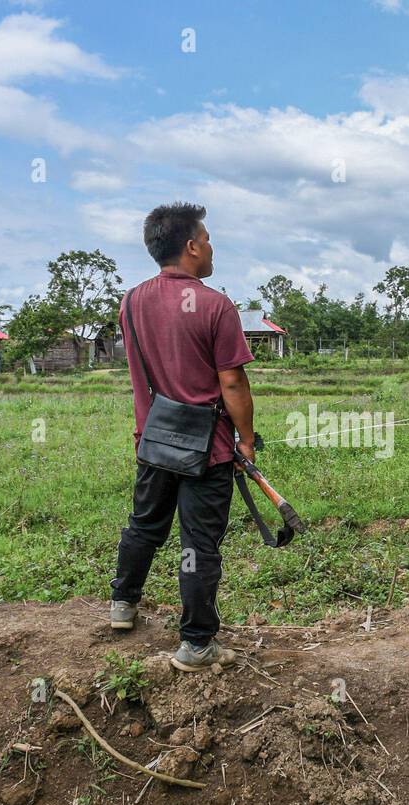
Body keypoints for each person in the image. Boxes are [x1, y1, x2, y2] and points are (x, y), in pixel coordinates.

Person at [109, 203, 256, 672]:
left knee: (144, 525)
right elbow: (232, 382)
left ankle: (123, 604)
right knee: (198, 543)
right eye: (207, 239)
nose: (212, 247)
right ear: (191, 246)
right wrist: (246, 439)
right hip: (207, 449)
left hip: (154, 440)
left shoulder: (132, 302)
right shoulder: (216, 306)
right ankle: (196, 643)